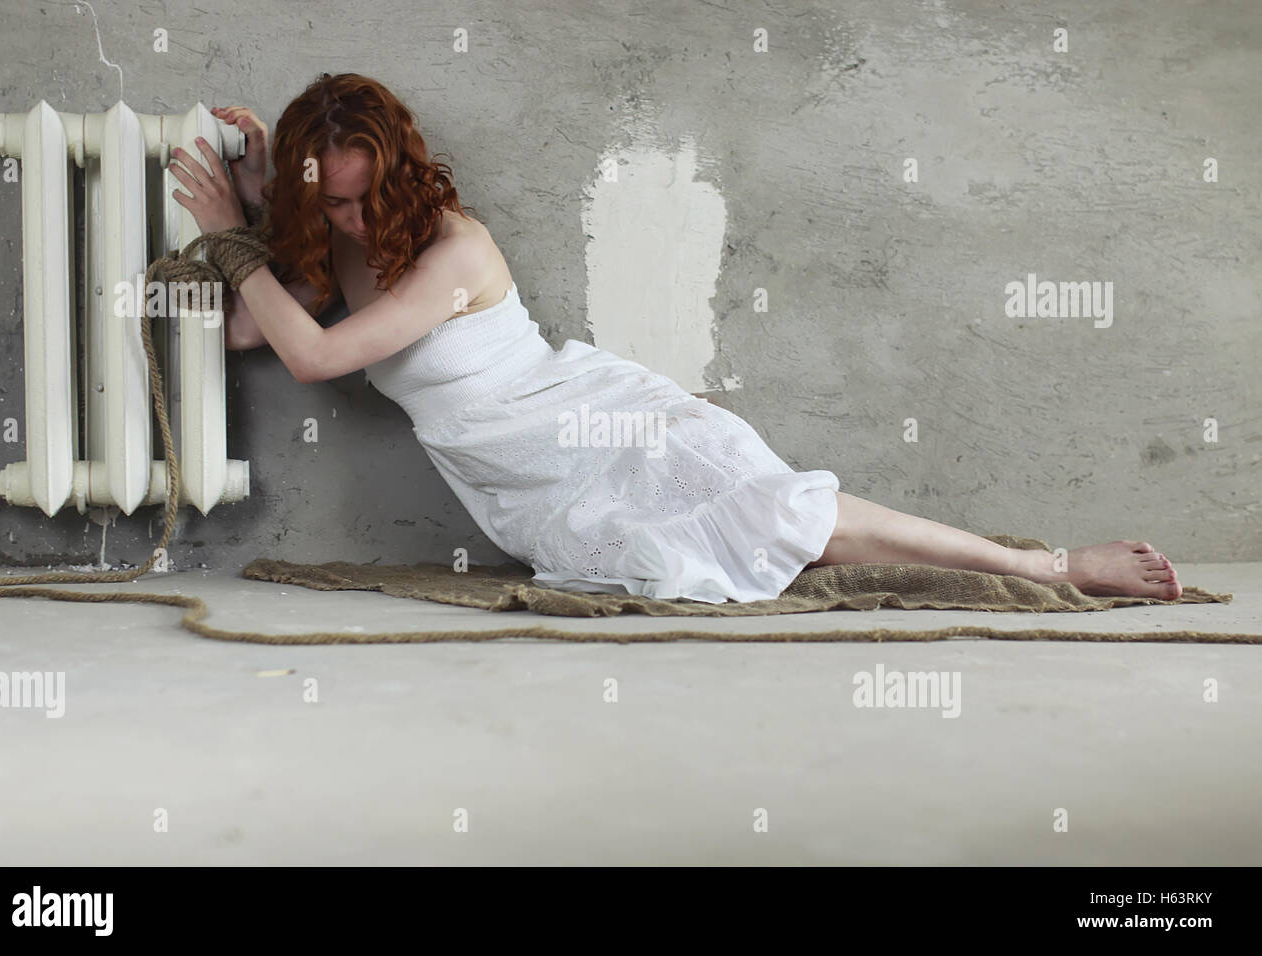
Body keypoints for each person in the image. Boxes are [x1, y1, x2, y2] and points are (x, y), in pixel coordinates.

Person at [167, 72, 1182, 604]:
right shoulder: (324, 244)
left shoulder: (452, 247)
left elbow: (315, 354)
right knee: (747, 545)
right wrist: (263, 208)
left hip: (585, 420)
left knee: (783, 512)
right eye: (332, 201)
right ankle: (1015, 561)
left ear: (394, 175)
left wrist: (231, 235)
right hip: (528, 482)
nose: (349, 221)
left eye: (361, 197)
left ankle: (1051, 566)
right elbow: (255, 335)